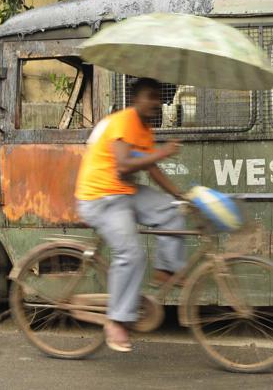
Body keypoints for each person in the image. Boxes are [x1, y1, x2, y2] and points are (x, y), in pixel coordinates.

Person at [74, 77, 186, 352]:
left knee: (173, 211)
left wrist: (180, 197)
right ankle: (116, 321)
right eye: (151, 96)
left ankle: (165, 270)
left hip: (124, 193)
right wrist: (163, 152)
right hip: (102, 197)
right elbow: (124, 166)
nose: (156, 102)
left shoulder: (145, 130)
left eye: (159, 96)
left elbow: (152, 170)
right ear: (136, 99)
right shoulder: (123, 121)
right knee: (132, 254)